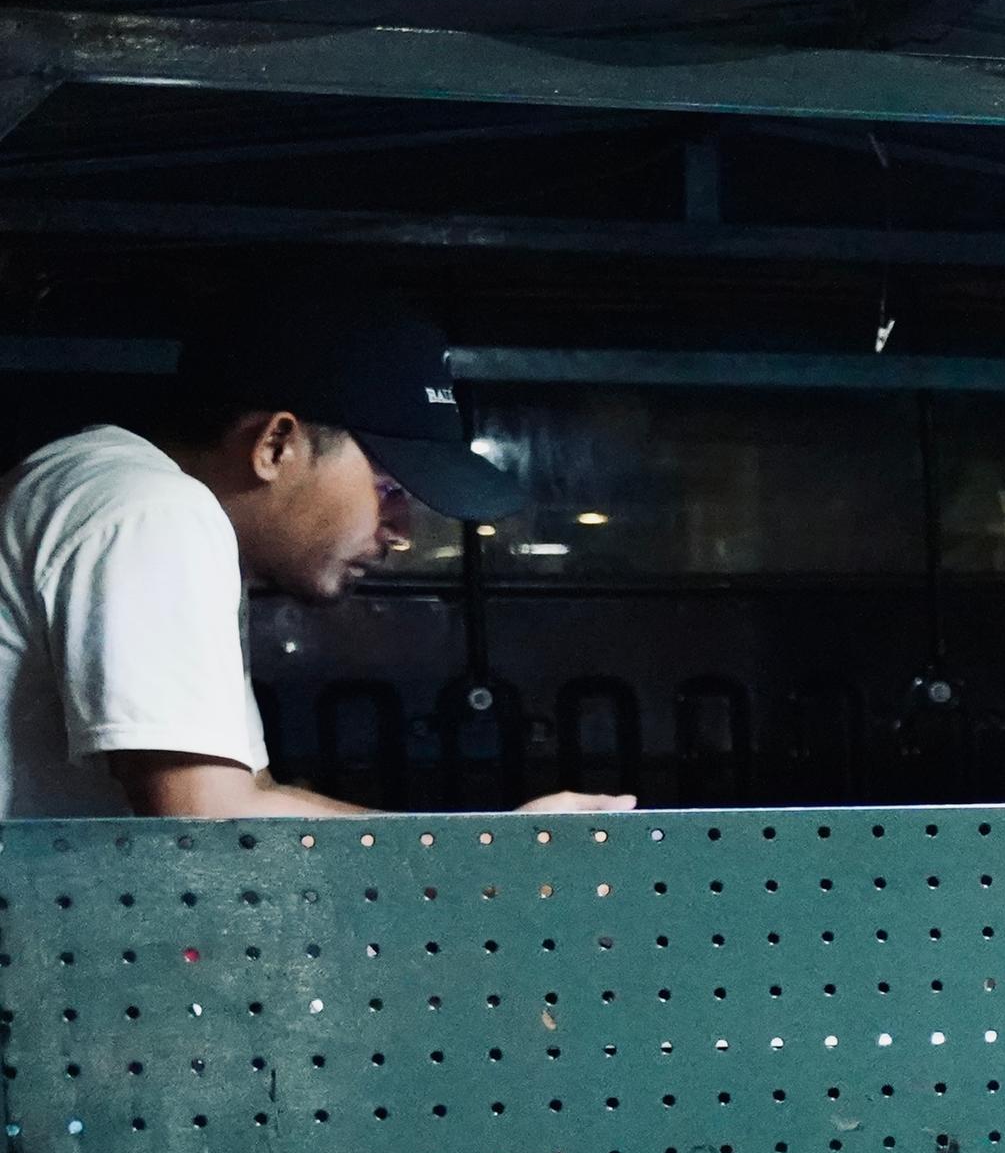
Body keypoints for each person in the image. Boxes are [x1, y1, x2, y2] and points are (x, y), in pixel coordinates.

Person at [0, 284, 618, 821]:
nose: (400, 532)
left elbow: (249, 797)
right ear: (276, 444)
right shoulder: (152, 512)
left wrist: (480, 855)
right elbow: (207, 822)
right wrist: (478, 863)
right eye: (389, 489)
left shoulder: (115, 490)